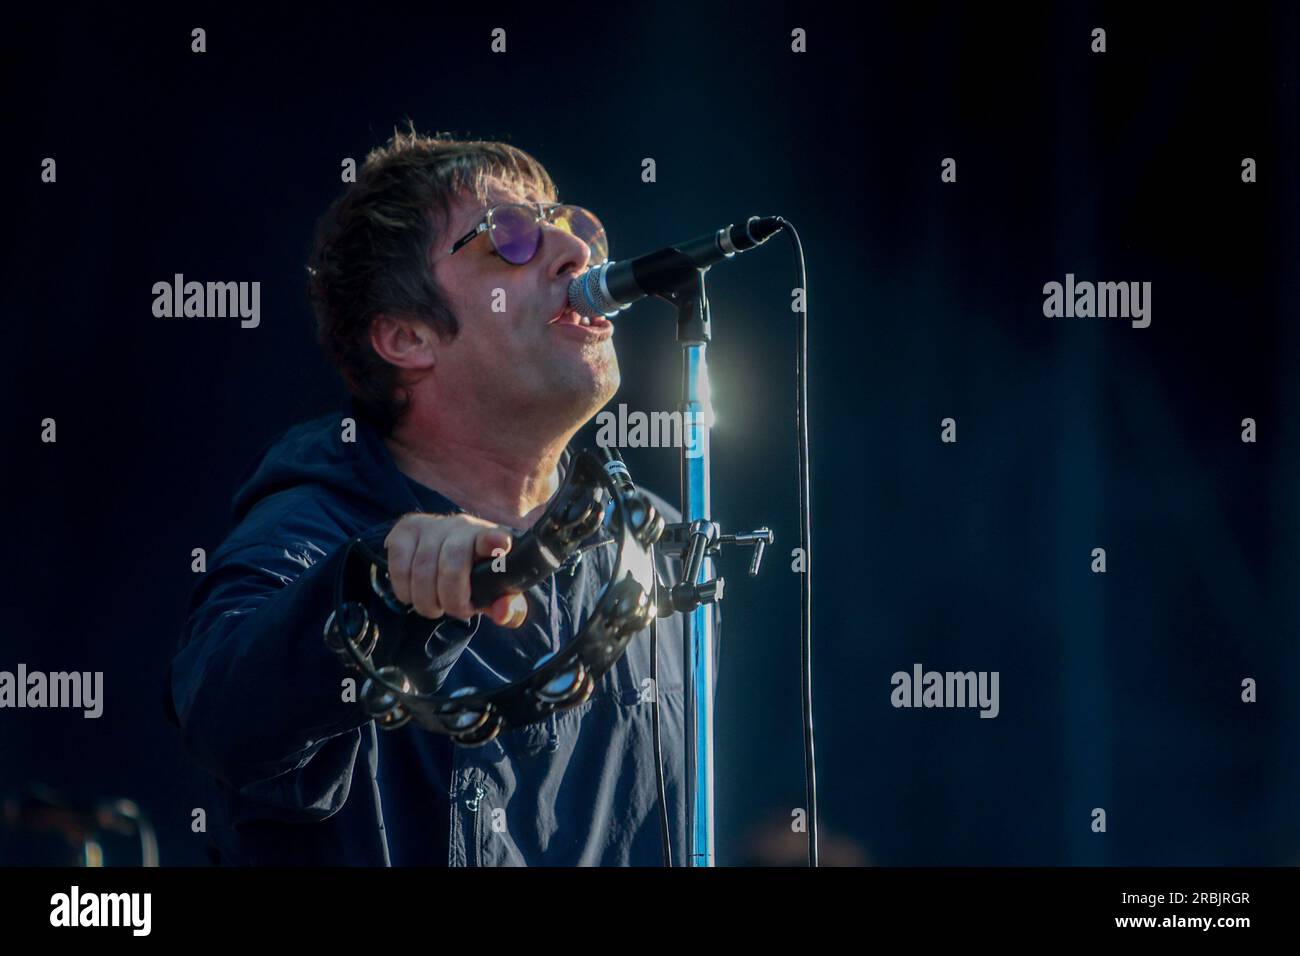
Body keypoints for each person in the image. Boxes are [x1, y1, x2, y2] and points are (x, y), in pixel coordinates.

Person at [166, 129, 709, 865]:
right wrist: (373, 586)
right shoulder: (308, 532)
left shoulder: (656, 545)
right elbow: (221, 717)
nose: (575, 252)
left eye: (571, 225)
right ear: (407, 337)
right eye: (509, 239)